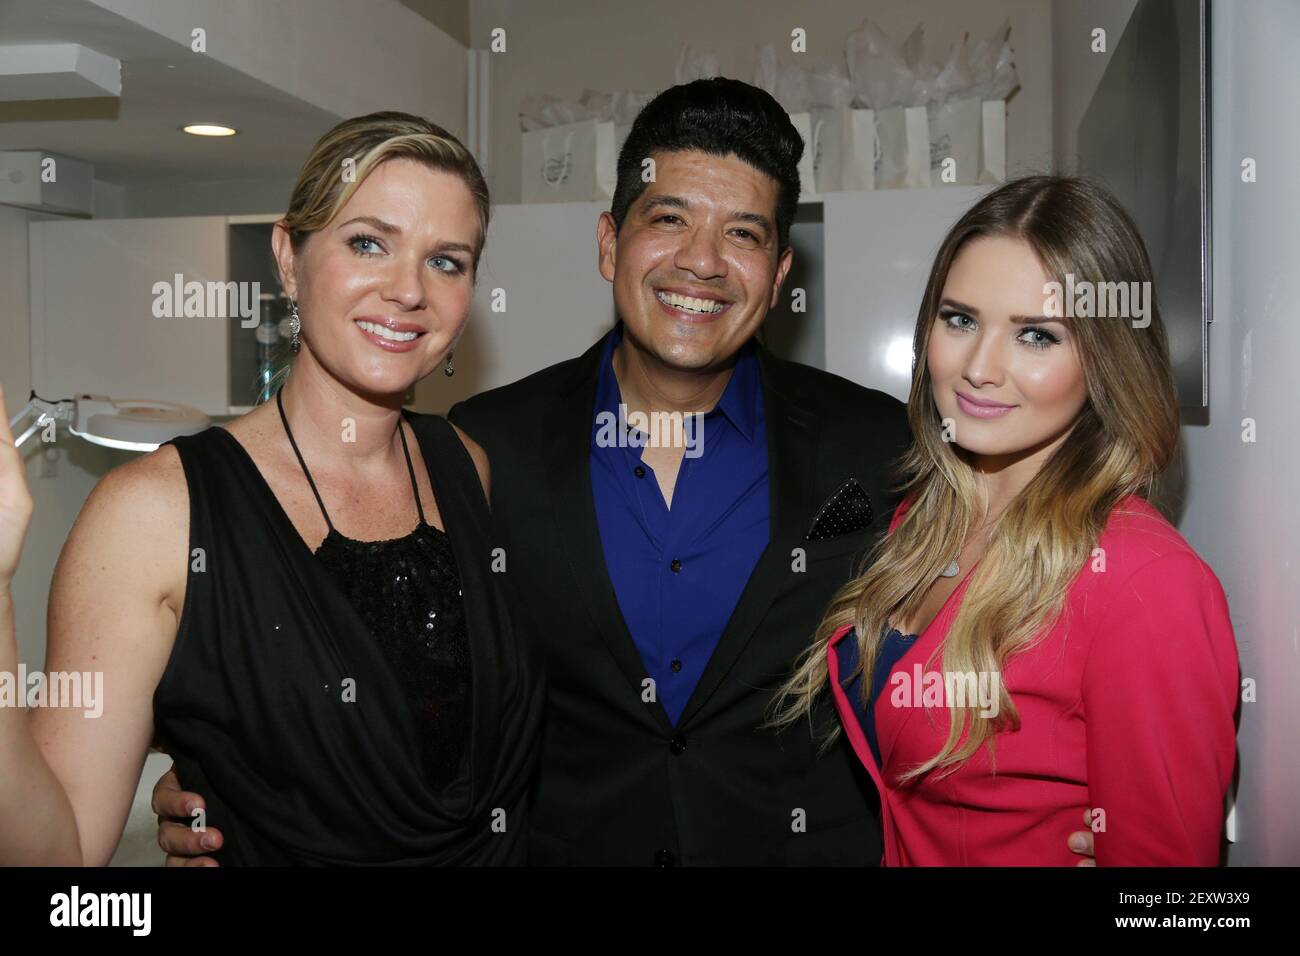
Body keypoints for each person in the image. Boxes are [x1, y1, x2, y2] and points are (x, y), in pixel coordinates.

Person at [0, 112, 541, 865]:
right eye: (367, 243)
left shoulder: (464, 468)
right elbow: (55, 865)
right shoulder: (155, 515)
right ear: (288, 257)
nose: (408, 290)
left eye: (446, 261)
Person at [773, 175, 1240, 866]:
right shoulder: (920, 520)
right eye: (960, 319)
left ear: (1106, 359)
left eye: (1036, 335)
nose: (980, 369)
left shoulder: (1146, 584)